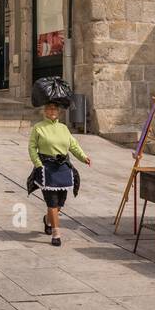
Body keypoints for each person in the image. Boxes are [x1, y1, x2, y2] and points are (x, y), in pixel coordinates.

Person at [27, 101, 91, 247]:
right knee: (52, 202)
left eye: (54, 109)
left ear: (59, 112)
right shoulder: (38, 128)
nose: (52, 111)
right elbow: (32, 148)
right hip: (47, 169)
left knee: (60, 203)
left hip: (63, 168)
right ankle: (56, 233)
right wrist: (39, 165)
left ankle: (47, 220)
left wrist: (83, 157)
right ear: (44, 111)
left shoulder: (64, 128)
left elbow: (73, 145)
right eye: (48, 108)